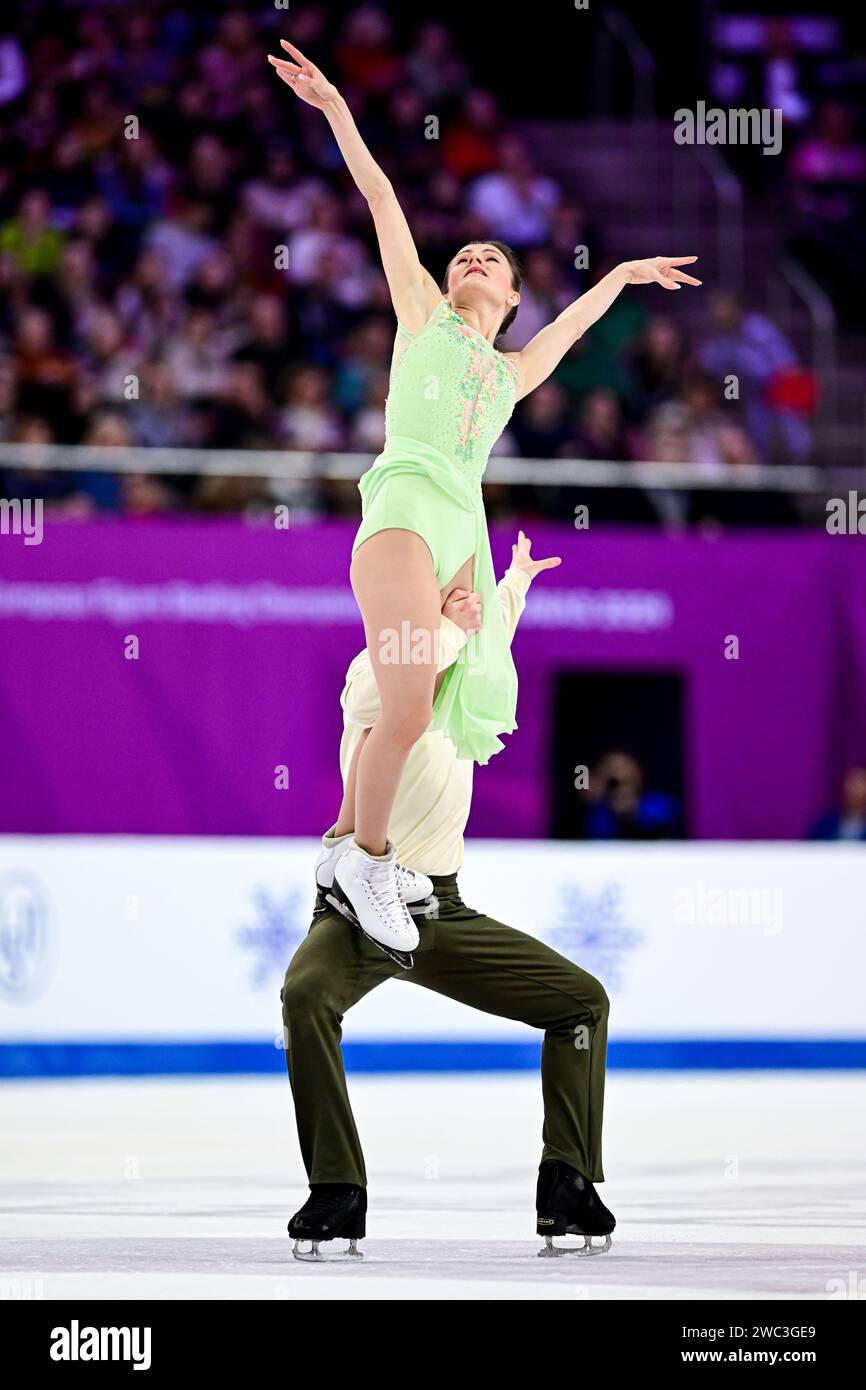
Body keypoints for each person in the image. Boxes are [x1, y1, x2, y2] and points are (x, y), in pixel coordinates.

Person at [267, 37, 701, 964]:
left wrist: (620, 279)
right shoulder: (421, 311)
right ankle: (368, 862)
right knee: (407, 707)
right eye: (467, 249)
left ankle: (347, 842)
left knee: (433, 701)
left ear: (509, 296)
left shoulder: (509, 369)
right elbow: (381, 198)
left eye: (492, 260)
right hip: (407, 506)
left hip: (464, 521)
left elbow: (571, 334)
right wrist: (337, 109)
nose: (472, 255)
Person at [281, 532, 616, 1260]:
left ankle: (567, 1182)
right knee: (306, 997)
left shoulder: (462, 672)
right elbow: (421, 662)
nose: (453, 600)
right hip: (360, 908)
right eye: (437, 592)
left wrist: (513, 584)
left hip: (440, 907)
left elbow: (482, 644)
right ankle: (336, 1188)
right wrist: (455, 624)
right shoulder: (370, 672)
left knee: (581, 1003)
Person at [808, 767, 866, 842]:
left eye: (860, 785)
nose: (855, 791)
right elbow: (809, 847)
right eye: (851, 785)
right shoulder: (825, 823)